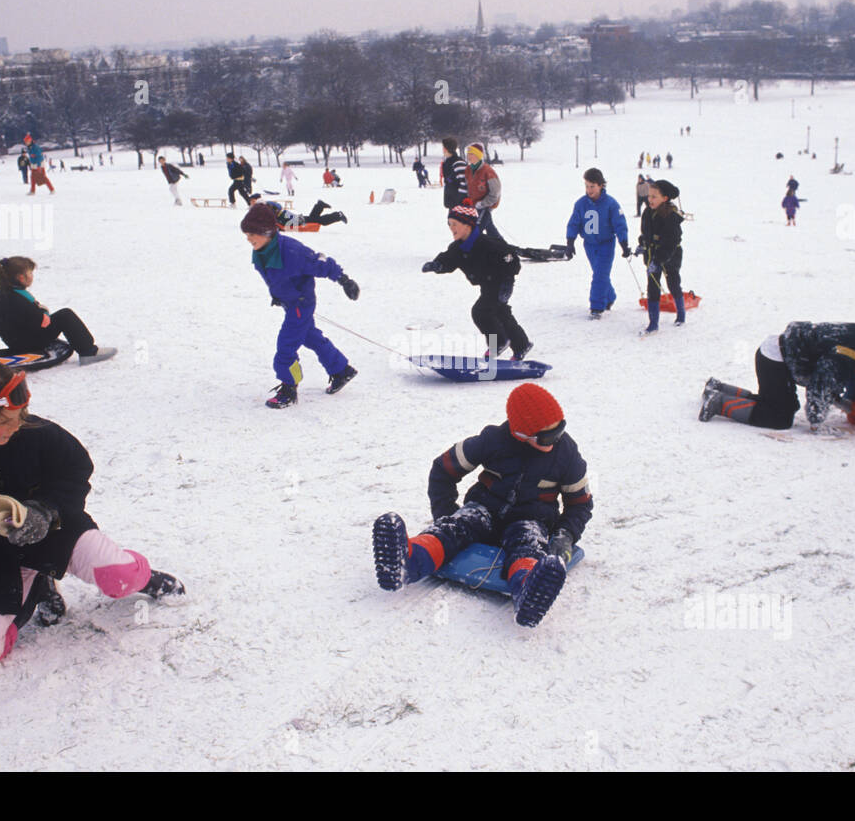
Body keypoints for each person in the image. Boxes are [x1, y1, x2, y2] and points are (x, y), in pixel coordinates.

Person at [0, 360, 184, 674]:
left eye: (21, 415)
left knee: (118, 577)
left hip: (55, 531)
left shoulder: (33, 432)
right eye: (6, 421)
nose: (18, 426)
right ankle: (38, 586)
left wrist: (47, 510)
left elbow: (75, 470)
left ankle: (144, 577)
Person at [371, 383, 592, 628]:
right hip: (484, 509)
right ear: (521, 434)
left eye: (560, 430)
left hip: (530, 518)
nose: (556, 440)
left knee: (528, 544)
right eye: (548, 436)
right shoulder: (492, 441)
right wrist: (445, 513)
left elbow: (579, 504)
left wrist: (565, 535)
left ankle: (529, 588)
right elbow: (443, 469)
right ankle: (406, 561)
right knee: (456, 526)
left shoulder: (567, 454)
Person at [241, 201, 360, 408]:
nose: (248, 238)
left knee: (286, 346)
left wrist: (345, 280)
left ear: (267, 231)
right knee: (311, 337)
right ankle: (341, 370)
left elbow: (320, 263)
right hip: (289, 301)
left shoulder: (291, 251)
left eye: (252, 233)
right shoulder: (261, 251)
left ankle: (289, 385)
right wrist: (278, 294)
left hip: (300, 303)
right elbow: (274, 275)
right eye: (247, 234)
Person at [698, 322, 855, 431]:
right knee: (779, 417)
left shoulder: (852, 335)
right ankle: (718, 402)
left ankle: (720, 389)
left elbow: (828, 373)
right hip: (777, 358)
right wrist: (816, 419)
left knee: (775, 402)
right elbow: (821, 385)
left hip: (775, 352)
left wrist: (836, 398)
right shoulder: (848, 353)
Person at [422, 199, 530, 360]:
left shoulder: (488, 244)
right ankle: (521, 345)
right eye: (449, 224)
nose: (451, 228)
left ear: (467, 225)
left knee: (481, 312)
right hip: (487, 284)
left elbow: (510, 258)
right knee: (500, 313)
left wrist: (507, 278)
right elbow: (448, 260)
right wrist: (437, 265)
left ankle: (499, 342)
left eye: (454, 224)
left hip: (501, 282)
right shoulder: (458, 247)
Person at [0, 257, 117, 365]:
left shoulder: (2, 296)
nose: (32, 276)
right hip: (29, 344)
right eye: (30, 273)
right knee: (65, 316)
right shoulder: (19, 299)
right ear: (21, 277)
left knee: (55, 317)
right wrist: (43, 311)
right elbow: (43, 322)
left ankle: (25, 342)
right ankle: (88, 352)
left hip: (14, 342)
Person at [565, 168, 629, 319]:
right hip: (589, 245)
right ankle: (610, 296)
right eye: (586, 186)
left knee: (600, 275)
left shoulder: (611, 204)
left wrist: (624, 244)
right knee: (600, 273)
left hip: (606, 244)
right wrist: (570, 242)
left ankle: (596, 307)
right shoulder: (581, 204)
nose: (589, 190)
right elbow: (573, 223)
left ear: (601, 185)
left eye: (592, 186)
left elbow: (620, 225)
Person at [637, 179, 685, 333]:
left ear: (665, 198)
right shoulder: (647, 212)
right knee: (652, 287)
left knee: (672, 283)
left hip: (670, 255)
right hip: (652, 254)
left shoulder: (671, 217)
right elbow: (646, 233)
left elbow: (671, 242)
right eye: (649, 196)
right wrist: (642, 244)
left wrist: (659, 261)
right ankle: (653, 323)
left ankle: (681, 313)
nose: (649, 199)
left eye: (654, 197)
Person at [462, 143, 505, 242]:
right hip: (473, 207)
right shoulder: (468, 170)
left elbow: (495, 192)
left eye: (471, 154)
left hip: (485, 206)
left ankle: (468, 251)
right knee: (491, 230)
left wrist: (483, 204)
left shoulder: (487, 171)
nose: (468, 156)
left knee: (476, 230)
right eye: (467, 154)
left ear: (478, 155)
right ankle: (504, 248)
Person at [246, 192, 347, 226]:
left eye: (252, 200)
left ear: (256, 199)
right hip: (288, 218)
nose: (251, 203)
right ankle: (319, 206)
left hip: (288, 220)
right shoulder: (263, 205)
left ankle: (337, 215)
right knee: (312, 219)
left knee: (317, 221)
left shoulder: (262, 206)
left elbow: (271, 217)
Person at [439, 137, 468, 209]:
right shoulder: (447, 162)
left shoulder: (458, 163)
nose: (442, 150)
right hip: (452, 204)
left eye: (443, 147)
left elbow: (465, 183)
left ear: (445, 149)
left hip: (460, 205)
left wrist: (459, 200)